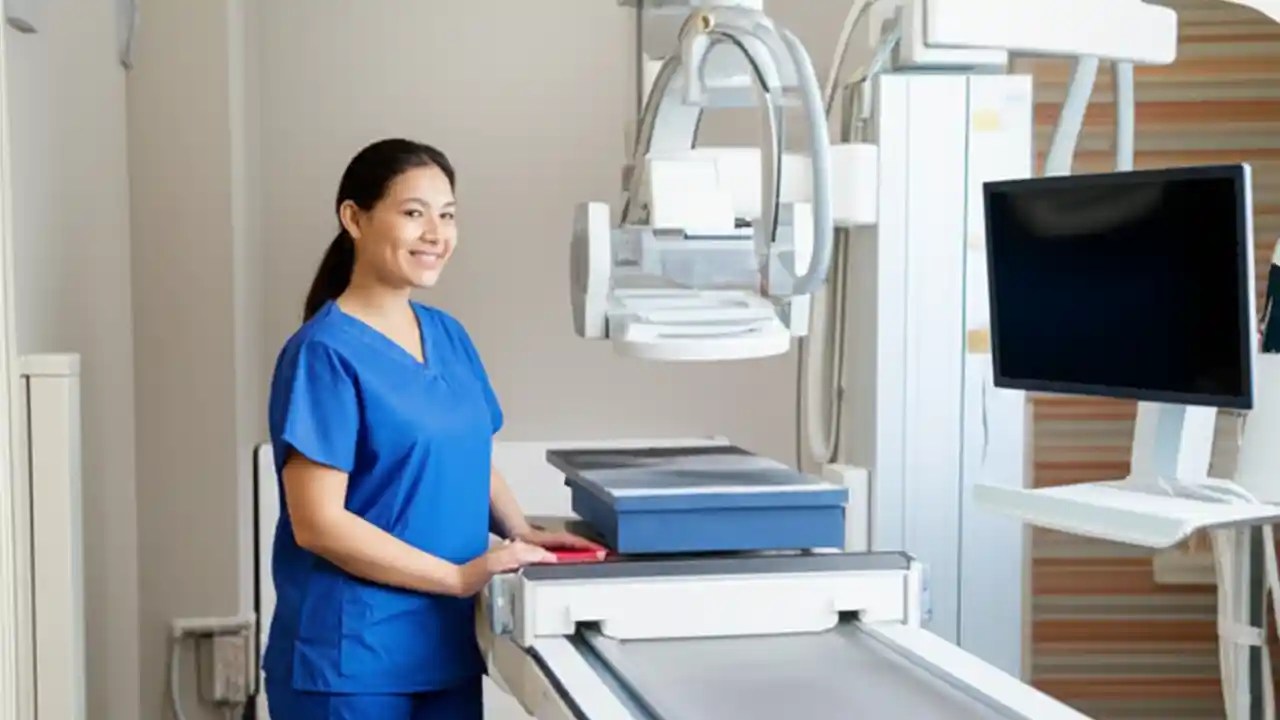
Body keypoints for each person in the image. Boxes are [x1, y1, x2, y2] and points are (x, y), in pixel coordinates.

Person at [264, 138, 604, 719]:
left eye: (447, 216)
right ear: (354, 218)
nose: (436, 233)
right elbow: (318, 523)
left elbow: (465, 453)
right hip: (352, 664)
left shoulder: (447, 335)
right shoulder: (324, 353)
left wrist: (519, 528)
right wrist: (455, 575)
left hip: (442, 650)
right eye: (413, 212)